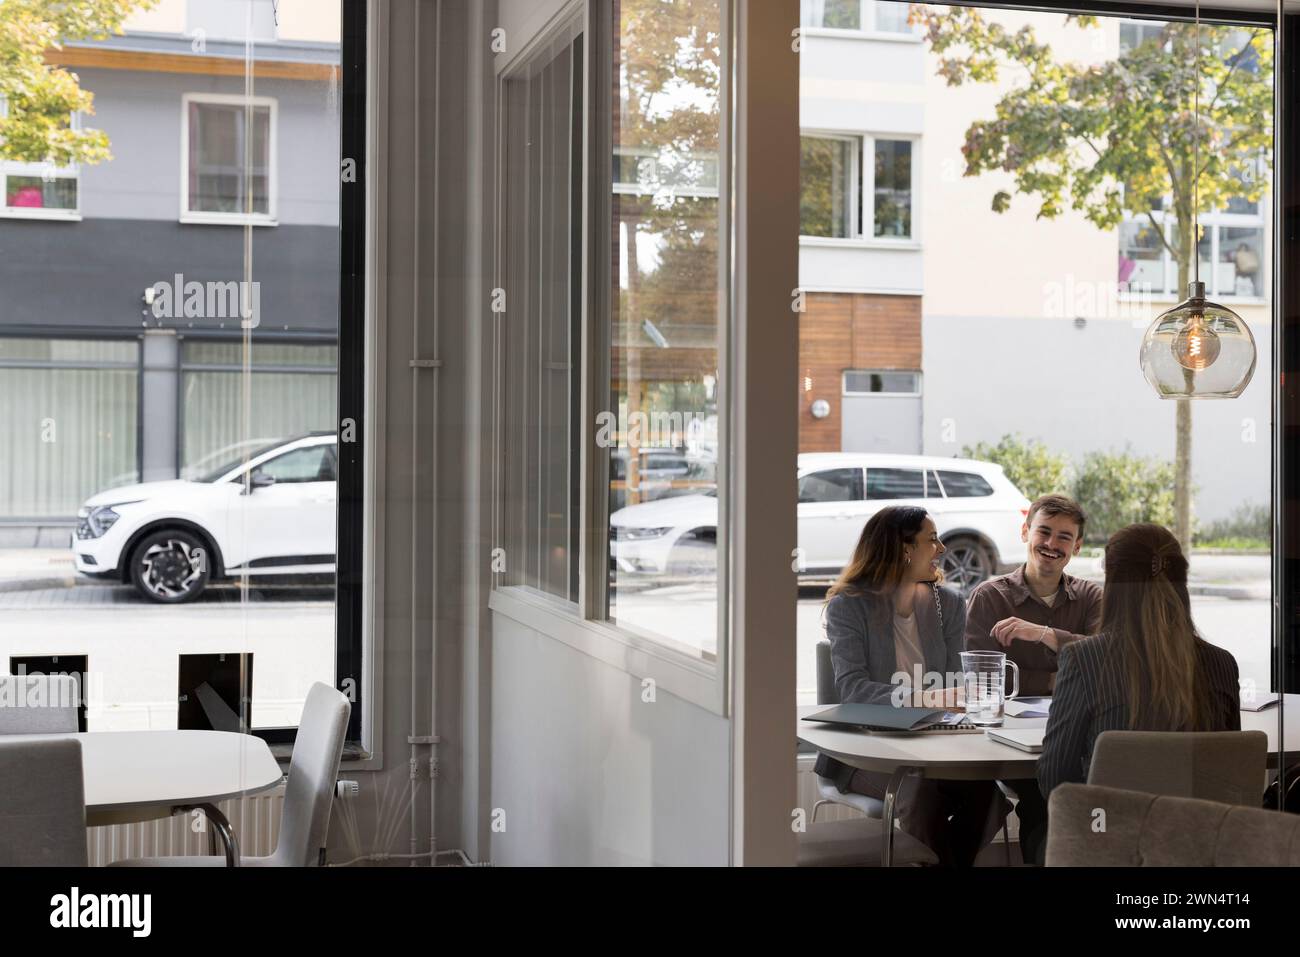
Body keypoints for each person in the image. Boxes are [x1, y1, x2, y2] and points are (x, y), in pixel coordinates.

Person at [814, 505, 1005, 866]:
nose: (942, 549)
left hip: (936, 747)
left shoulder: (947, 603)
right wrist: (928, 696)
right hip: (867, 750)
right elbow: (854, 690)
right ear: (904, 549)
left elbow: (957, 682)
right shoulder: (848, 607)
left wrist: (967, 695)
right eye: (931, 540)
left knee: (987, 796)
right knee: (921, 794)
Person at [1038, 524, 1241, 803]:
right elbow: (1230, 774)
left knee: (1035, 825)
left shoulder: (1084, 660)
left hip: (1107, 839)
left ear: (1112, 583)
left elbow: (1055, 781)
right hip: (1200, 840)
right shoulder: (1222, 664)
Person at [963, 493, 1102, 865]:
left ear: (1077, 546)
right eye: (1044, 532)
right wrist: (1061, 680)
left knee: (1084, 797)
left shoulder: (1092, 597)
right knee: (1044, 801)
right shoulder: (989, 598)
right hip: (1010, 743)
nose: (1052, 545)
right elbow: (982, 682)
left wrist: (1041, 633)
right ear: (1026, 532)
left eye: (1064, 537)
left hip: (1083, 738)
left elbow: (1107, 662)